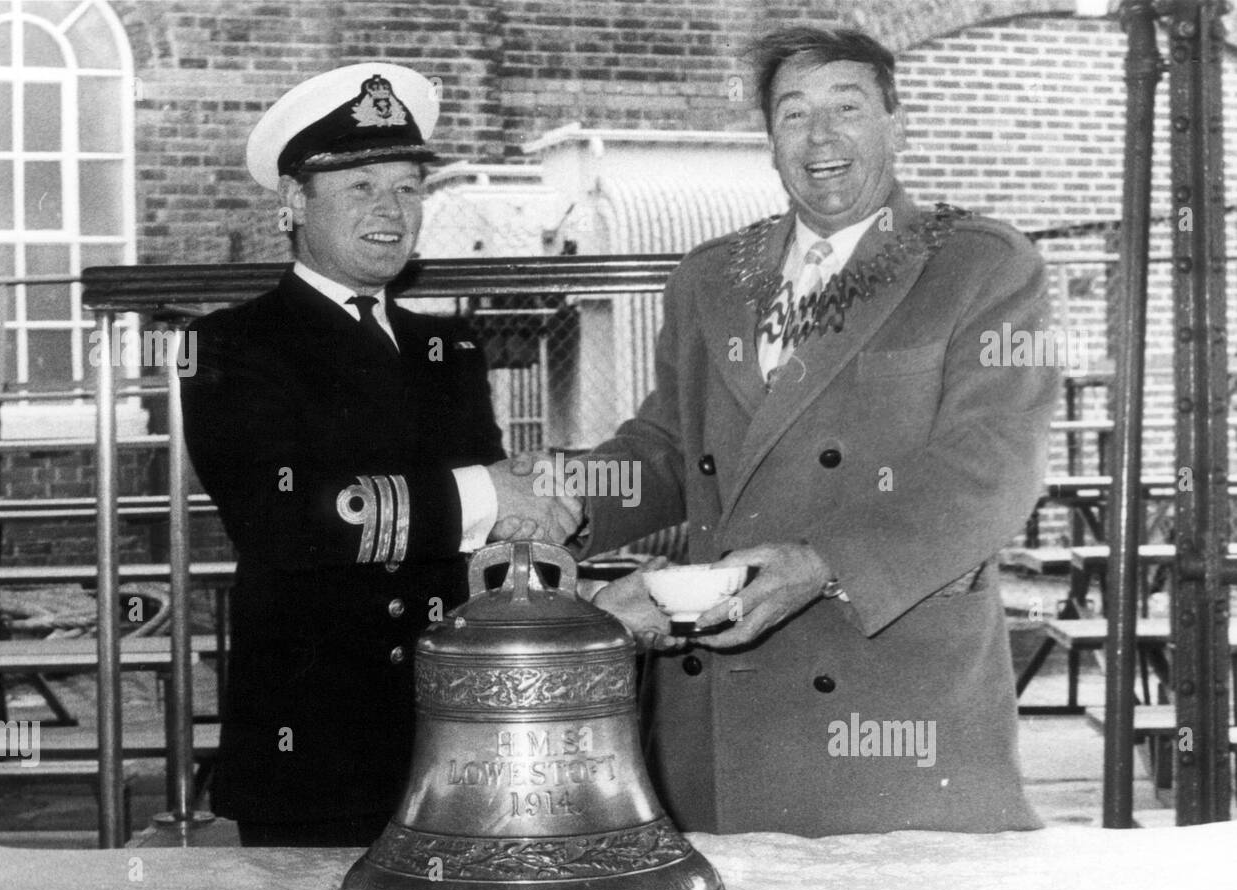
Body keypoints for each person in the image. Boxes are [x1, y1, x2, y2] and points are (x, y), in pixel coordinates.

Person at [583, 26, 1059, 836]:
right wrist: (558, 501)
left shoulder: (982, 264)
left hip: (893, 706)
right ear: (769, 142)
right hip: (718, 710)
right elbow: (664, 445)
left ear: (896, 124)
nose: (821, 137)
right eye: (794, 114)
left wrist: (822, 564)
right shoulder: (708, 278)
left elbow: (993, 467)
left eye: (848, 106)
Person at [182, 63, 577, 847]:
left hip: (456, 733)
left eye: (406, 188)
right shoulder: (230, 344)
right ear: (294, 203)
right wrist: (488, 496)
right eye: (360, 187)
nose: (392, 211)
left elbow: (476, 516)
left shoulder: (448, 345)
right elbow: (283, 521)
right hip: (315, 747)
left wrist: (535, 518)